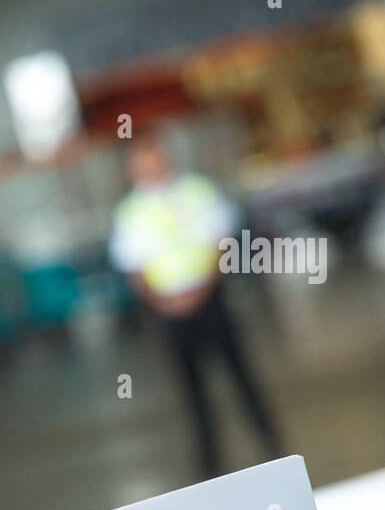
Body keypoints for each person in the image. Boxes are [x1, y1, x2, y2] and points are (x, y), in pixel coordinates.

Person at [108, 133, 284, 479]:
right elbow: (133, 267)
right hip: (169, 312)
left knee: (241, 375)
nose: (151, 166)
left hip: (210, 301)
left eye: (155, 157)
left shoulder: (198, 191)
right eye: (143, 161)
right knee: (192, 390)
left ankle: (270, 441)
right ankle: (208, 460)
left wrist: (199, 290)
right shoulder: (130, 212)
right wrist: (165, 301)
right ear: (134, 168)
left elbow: (221, 243)